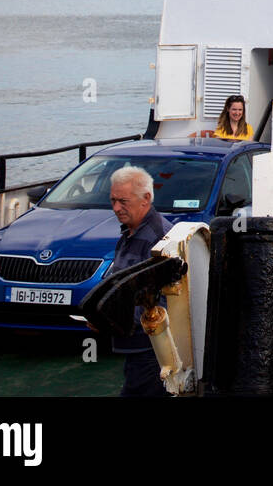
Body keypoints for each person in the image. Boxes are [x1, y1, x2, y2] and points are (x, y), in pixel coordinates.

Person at [106, 166, 172, 396]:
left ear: (146, 199)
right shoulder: (129, 234)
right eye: (113, 200)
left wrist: (112, 318)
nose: (116, 208)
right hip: (135, 347)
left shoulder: (159, 239)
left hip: (151, 350)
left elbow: (164, 303)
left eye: (123, 201)